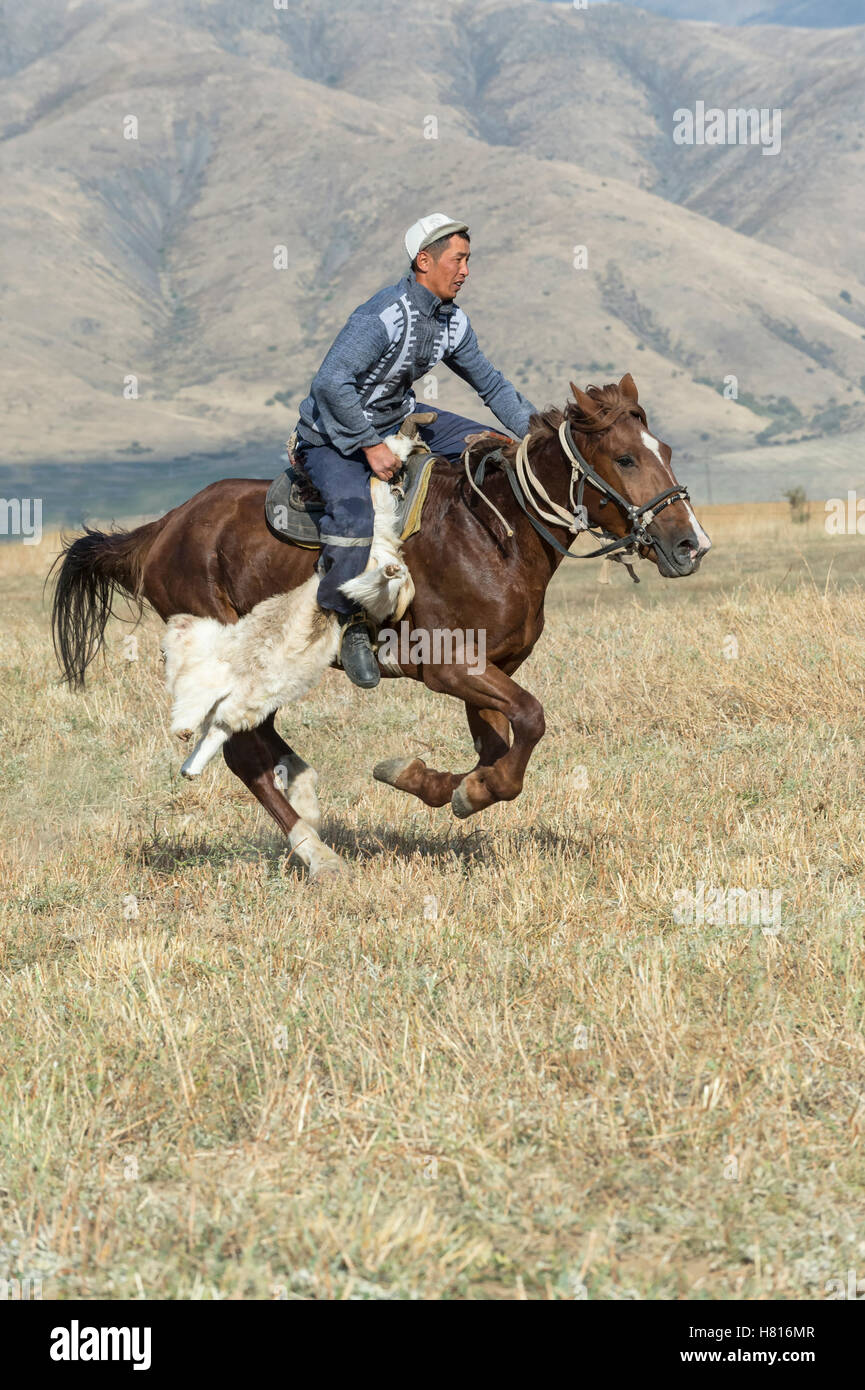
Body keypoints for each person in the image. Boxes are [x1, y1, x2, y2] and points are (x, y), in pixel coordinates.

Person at [293, 212, 538, 688]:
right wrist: (369, 446)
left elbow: (489, 383)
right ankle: (346, 625)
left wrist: (539, 435)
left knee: (495, 449)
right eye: (458, 260)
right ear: (424, 261)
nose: (466, 270)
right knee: (353, 515)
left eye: (469, 260)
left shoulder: (452, 322)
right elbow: (330, 384)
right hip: (333, 435)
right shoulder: (385, 314)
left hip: (399, 420)